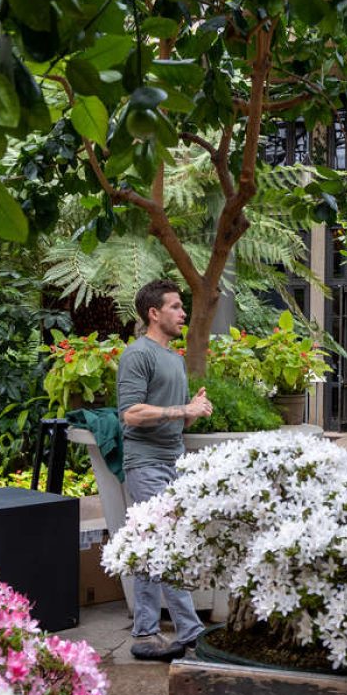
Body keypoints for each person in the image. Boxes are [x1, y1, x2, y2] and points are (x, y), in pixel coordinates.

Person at [117, 279, 214, 660]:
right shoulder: (137, 355)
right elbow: (130, 413)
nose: (183, 312)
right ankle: (191, 630)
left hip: (175, 461)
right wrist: (181, 410)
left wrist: (192, 409)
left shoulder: (173, 359)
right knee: (166, 545)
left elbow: (177, 420)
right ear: (153, 313)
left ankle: (144, 634)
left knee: (150, 545)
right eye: (175, 306)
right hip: (146, 464)